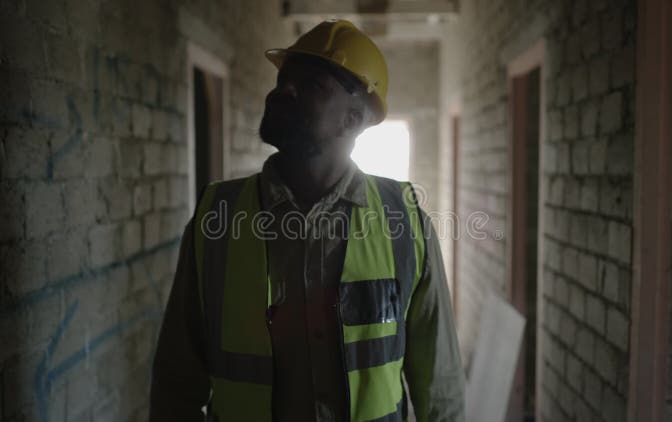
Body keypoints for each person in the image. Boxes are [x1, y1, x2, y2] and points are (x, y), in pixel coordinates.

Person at [149, 19, 465, 422]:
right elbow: (176, 383)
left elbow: (440, 387)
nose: (284, 90)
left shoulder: (404, 220)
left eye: (312, 83)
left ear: (353, 119)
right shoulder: (218, 217)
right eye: (284, 79)